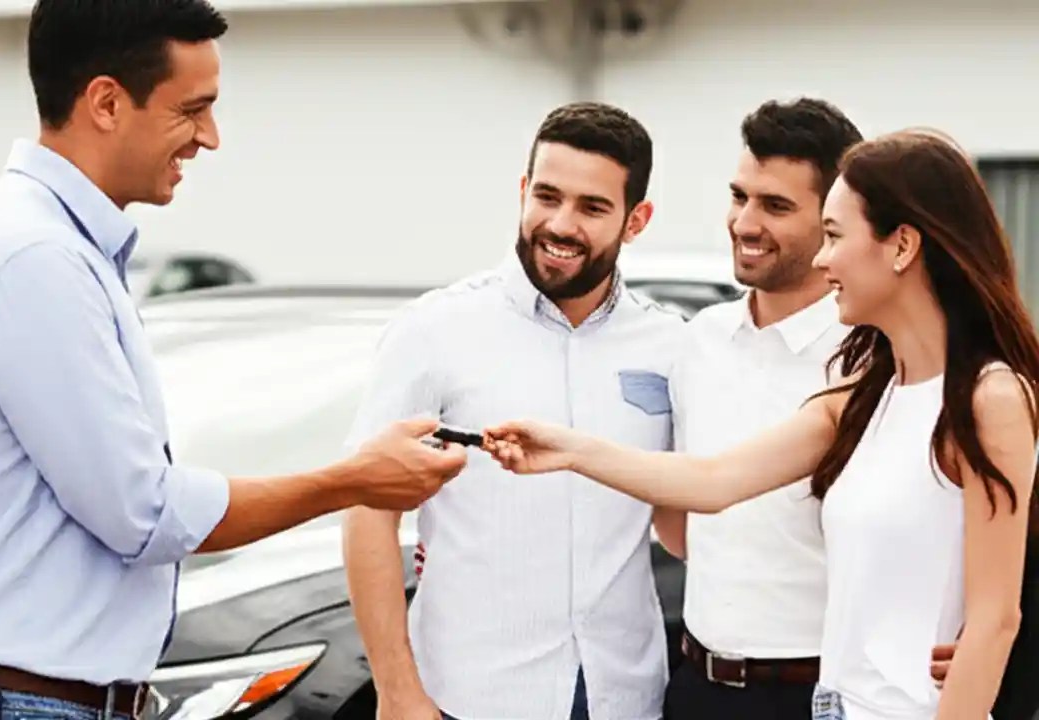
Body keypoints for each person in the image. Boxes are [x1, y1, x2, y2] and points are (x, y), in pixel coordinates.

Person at [0, 2, 467, 719]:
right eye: (192, 110)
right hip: (15, 705)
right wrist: (353, 480)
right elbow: (145, 514)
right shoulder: (34, 259)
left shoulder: (45, 246)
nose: (210, 138)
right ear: (106, 103)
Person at [483, 128, 1038, 720]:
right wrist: (568, 450)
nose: (823, 259)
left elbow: (996, 618)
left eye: (834, 235)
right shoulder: (861, 395)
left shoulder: (990, 399)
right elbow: (714, 482)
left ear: (901, 246)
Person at [341, 101, 685, 720]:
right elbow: (367, 510)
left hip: (624, 695)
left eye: (592, 207)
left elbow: (687, 513)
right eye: (547, 196)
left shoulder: (671, 345)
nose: (560, 224)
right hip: (471, 697)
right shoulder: (434, 330)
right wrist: (396, 690)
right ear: (523, 189)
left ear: (636, 220)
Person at [652, 98, 859, 719]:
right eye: (739, 197)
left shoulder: (869, 359)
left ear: (832, 221)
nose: (745, 222)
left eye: (775, 206)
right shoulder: (698, 341)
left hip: (819, 697)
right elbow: (678, 523)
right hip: (695, 686)